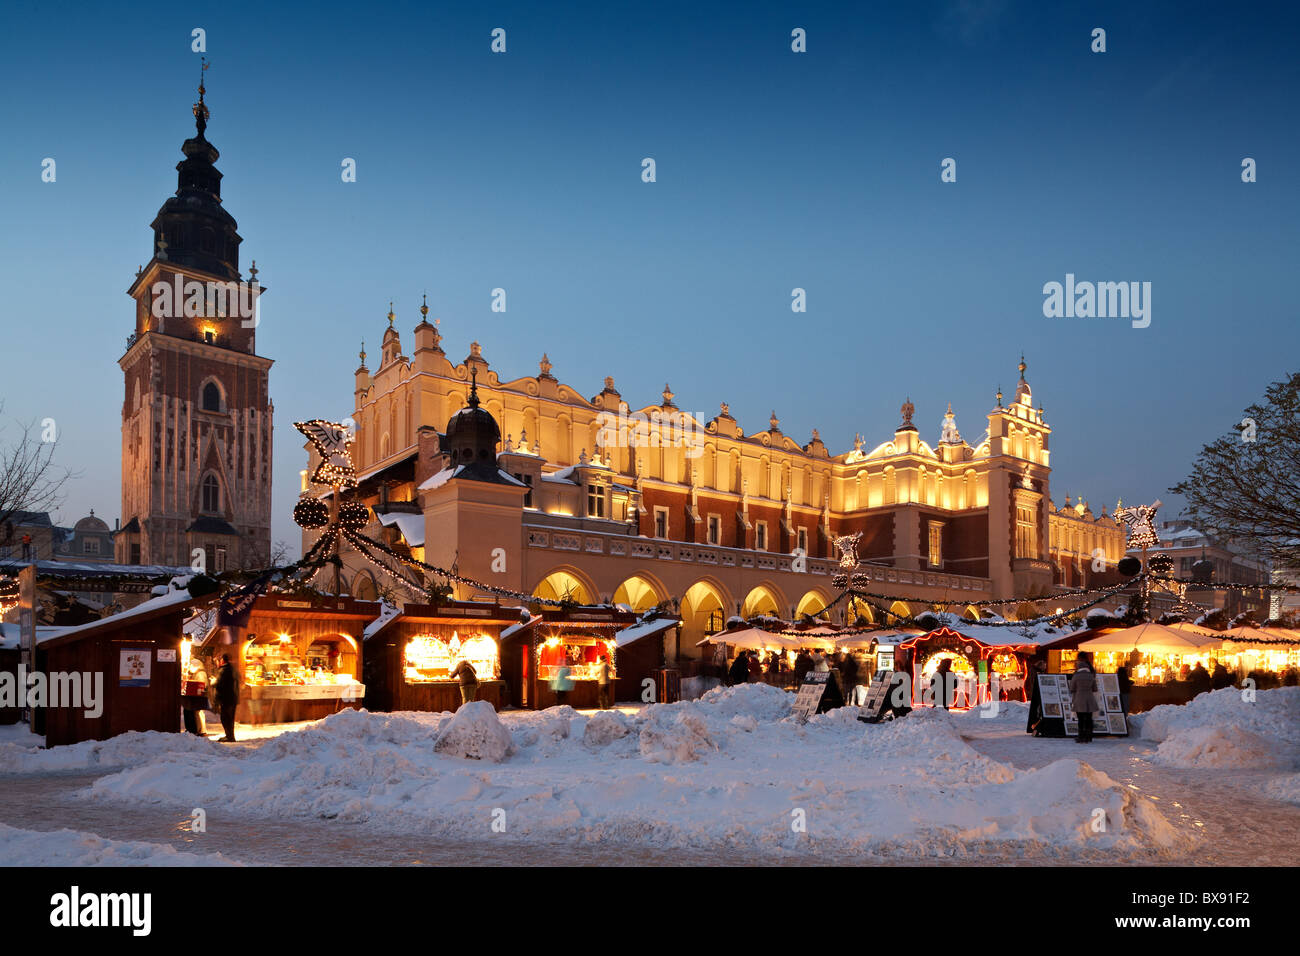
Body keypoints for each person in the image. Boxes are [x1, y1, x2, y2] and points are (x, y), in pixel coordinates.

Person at [1070, 652, 1099, 743]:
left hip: (1079, 699)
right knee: (1089, 718)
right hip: (1090, 699)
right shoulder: (1091, 676)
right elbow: (1095, 688)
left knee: (1081, 719)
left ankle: (1081, 736)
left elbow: (1072, 688)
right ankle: (1089, 736)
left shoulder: (1076, 676)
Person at [214, 653, 239, 743]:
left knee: (225, 718)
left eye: (218, 660)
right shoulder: (232, 669)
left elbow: (220, 684)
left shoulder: (224, 670)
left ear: (222, 660)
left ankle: (229, 737)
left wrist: (214, 682)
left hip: (226, 698)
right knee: (229, 718)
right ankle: (230, 736)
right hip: (232, 698)